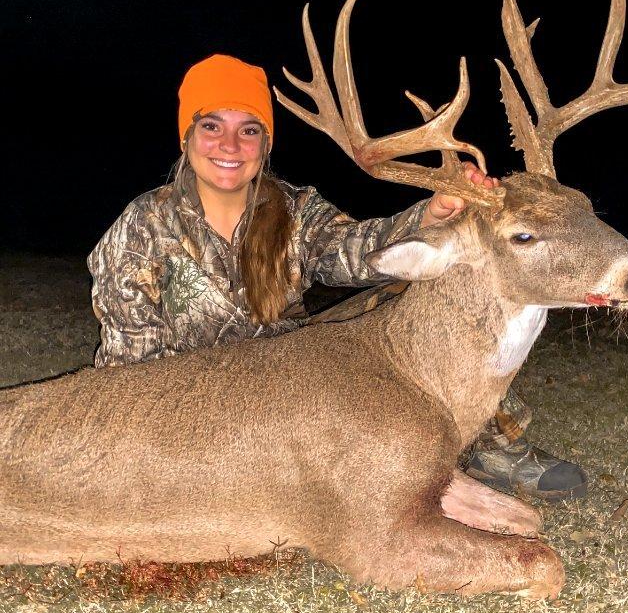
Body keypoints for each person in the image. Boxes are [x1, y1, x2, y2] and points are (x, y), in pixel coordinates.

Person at [88, 53, 587, 501]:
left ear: (264, 143)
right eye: (211, 126)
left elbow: (364, 254)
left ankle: (484, 443)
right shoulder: (142, 227)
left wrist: (433, 215)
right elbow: (128, 362)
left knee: (408, 288)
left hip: (292, 385)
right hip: (195, 403)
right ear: (187, 137)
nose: (230, 145)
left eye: (249, 130)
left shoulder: (294, 209)